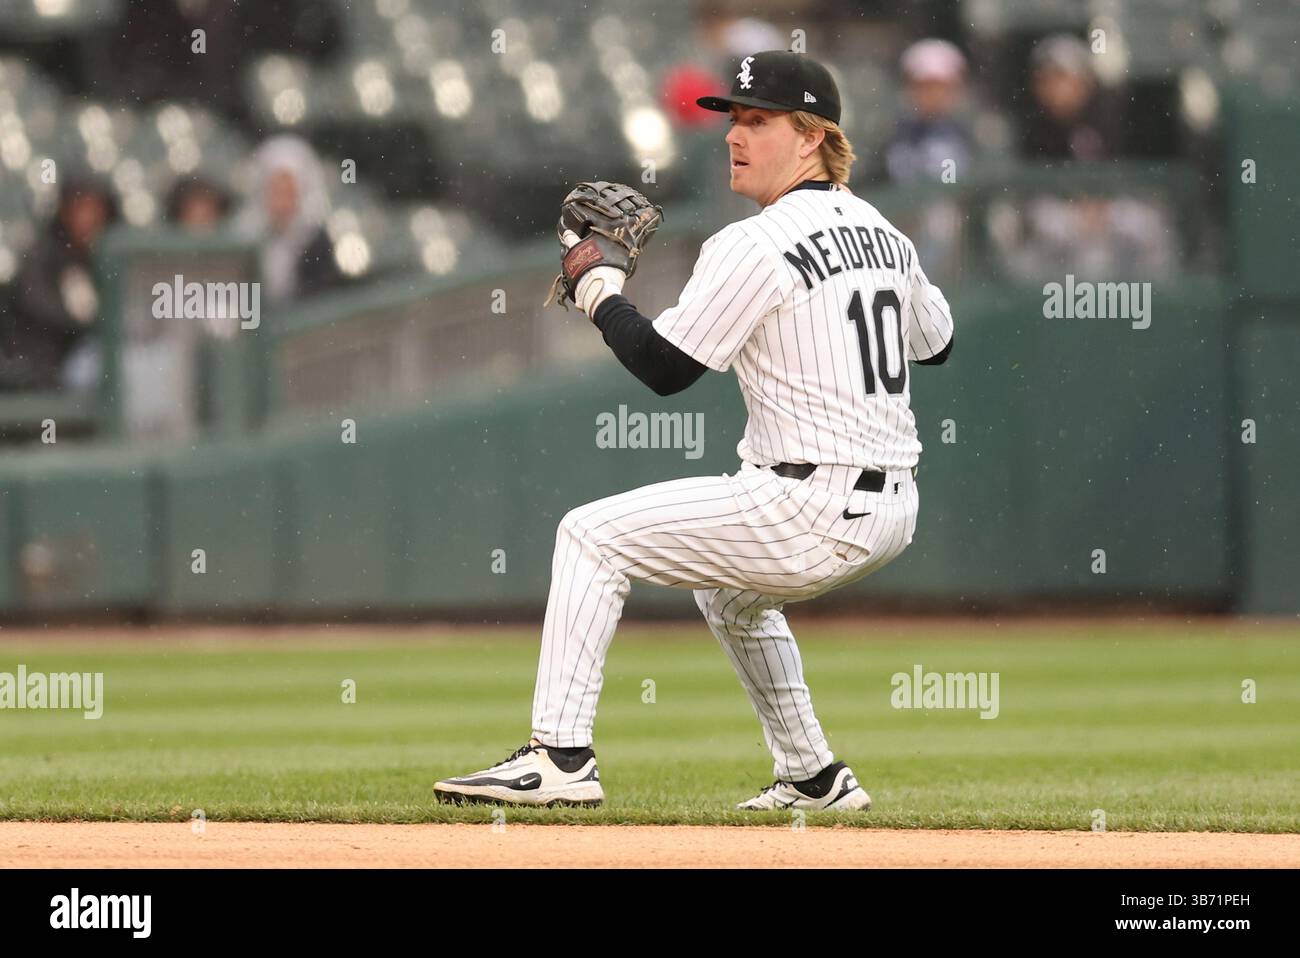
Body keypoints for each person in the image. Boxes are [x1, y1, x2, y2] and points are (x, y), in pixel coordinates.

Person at [434, 51, 954, 811]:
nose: (734, 137)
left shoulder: (753, 243)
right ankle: (813, 777)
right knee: (731, 596)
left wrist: (598, 288)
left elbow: (664, 369)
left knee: (590, 535)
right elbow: (937, 345)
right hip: (892, 507)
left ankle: (561, 757)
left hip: (808, 504)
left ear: (812, 137)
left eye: (758, 121)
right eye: (732, 120)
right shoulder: (886, 233)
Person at [2, 175, 118, 392]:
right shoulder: (42, 258)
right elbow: (41, 311)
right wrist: (89, 321)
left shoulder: (116, 259)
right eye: (79, 209)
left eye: (95, 210)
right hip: (46, 370)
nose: (87, 219)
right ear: (64, 212)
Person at [233, 135, 342, 304]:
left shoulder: (316, 241)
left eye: (289, 192)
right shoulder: (245, 236)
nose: (282, 201)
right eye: (275, 190)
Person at [886, 38, 972, 183]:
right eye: (924, 87)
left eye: (941, 87)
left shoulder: (976, 135)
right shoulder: (890, 134)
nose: (933, 95)